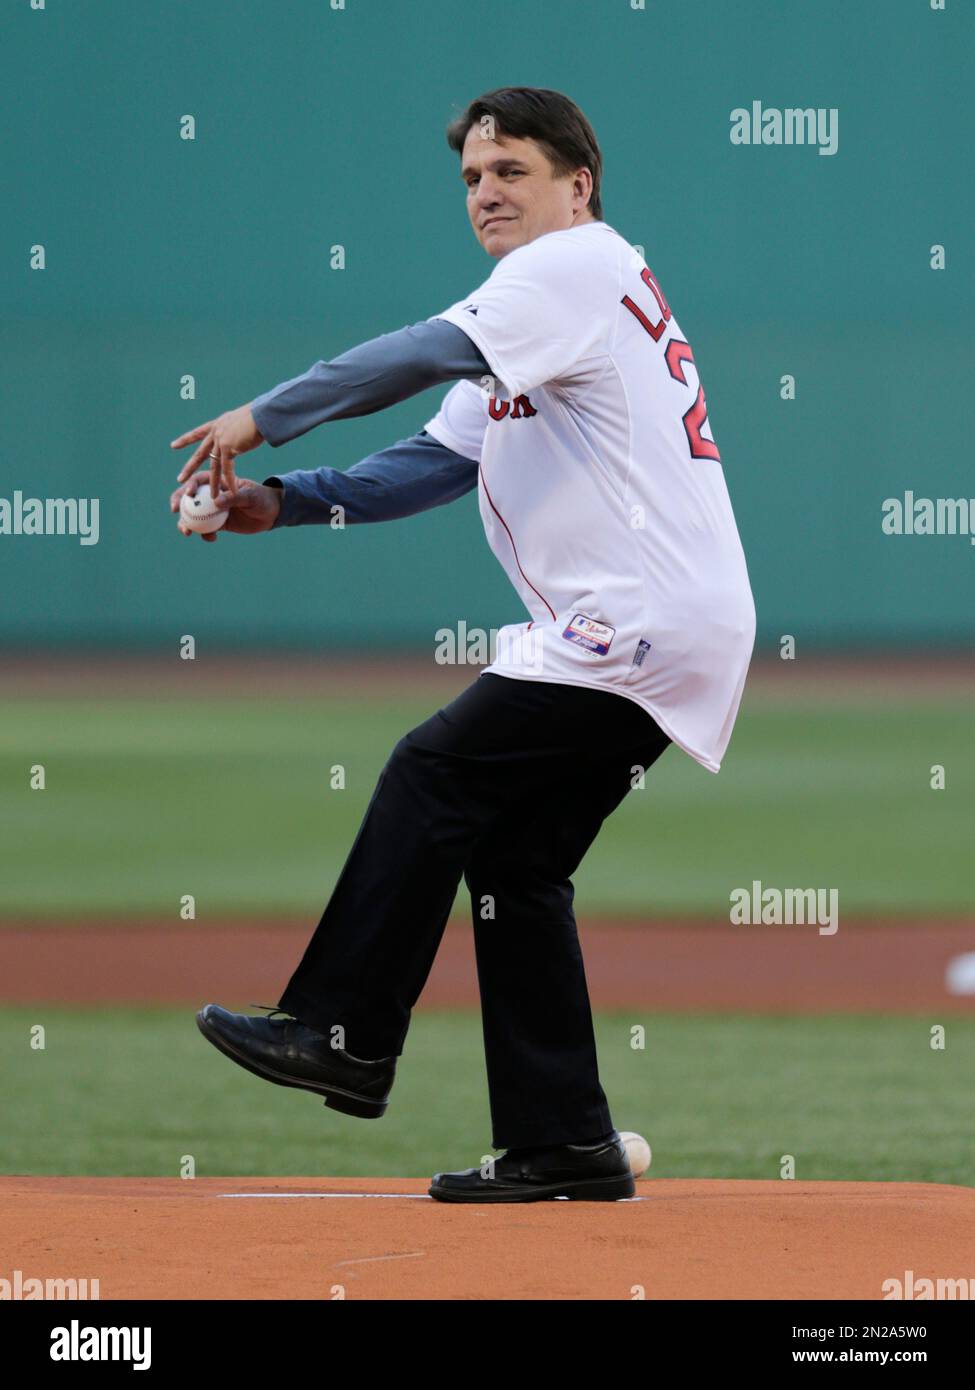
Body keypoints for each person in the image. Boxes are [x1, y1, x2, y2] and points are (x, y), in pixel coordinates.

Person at [170, 87, 756, 1203]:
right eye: (473, 179)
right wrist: (280, 501)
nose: (485, 192)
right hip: (664, 621)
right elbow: (432, 460)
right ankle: (562, 1141)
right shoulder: (550, 307)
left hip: (634, 617)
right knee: (515, 864)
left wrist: (264, 416)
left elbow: (413, 352)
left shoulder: (571, 267)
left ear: (576, 184)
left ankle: (341, 1030)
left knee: (433, 770)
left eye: (511, 172)